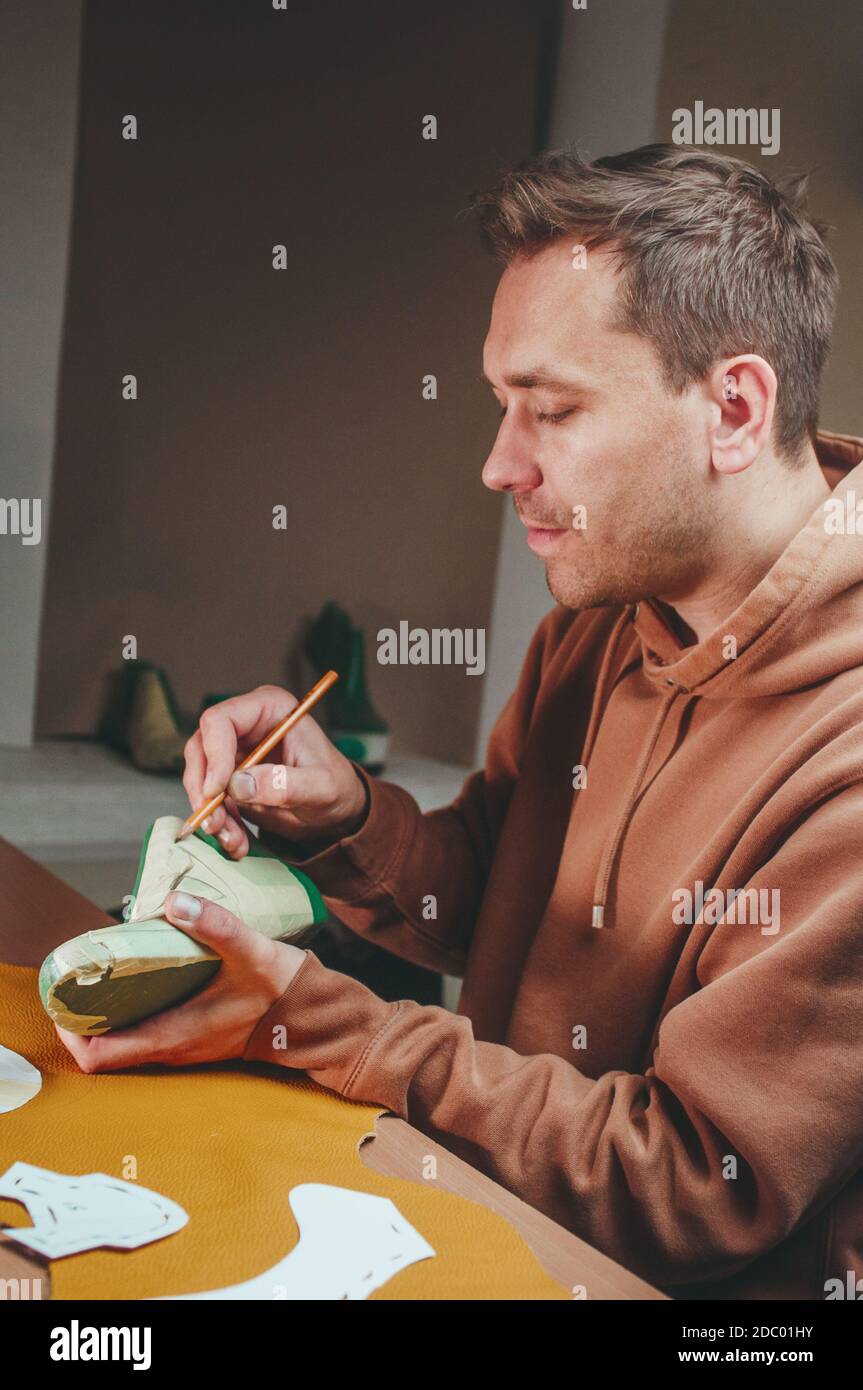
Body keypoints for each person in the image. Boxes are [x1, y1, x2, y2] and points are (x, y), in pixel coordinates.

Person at [58, 145, 863, 1301]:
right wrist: (341, 820)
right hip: (463, 1211)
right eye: (499, 403)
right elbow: (485, 904)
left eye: (551, 408)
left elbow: (693, 1185)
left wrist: (324, 1024)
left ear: (732, 408)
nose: (497, 463)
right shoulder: (597, 626)